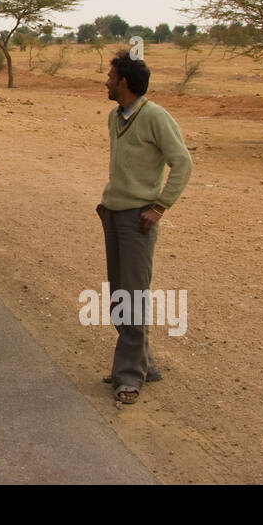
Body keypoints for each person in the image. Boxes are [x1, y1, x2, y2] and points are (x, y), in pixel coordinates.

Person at [97, 50, 192, 405]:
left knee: (132, 296)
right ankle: (143, 363)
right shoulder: (114, 117)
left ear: (124, 82)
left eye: (110, 76)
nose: (106, 82)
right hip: (114, 213)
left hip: (138, 219)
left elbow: (182, 163)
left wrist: (159, 206)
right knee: (121, 294)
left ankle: (128, 376)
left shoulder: (155, 117)